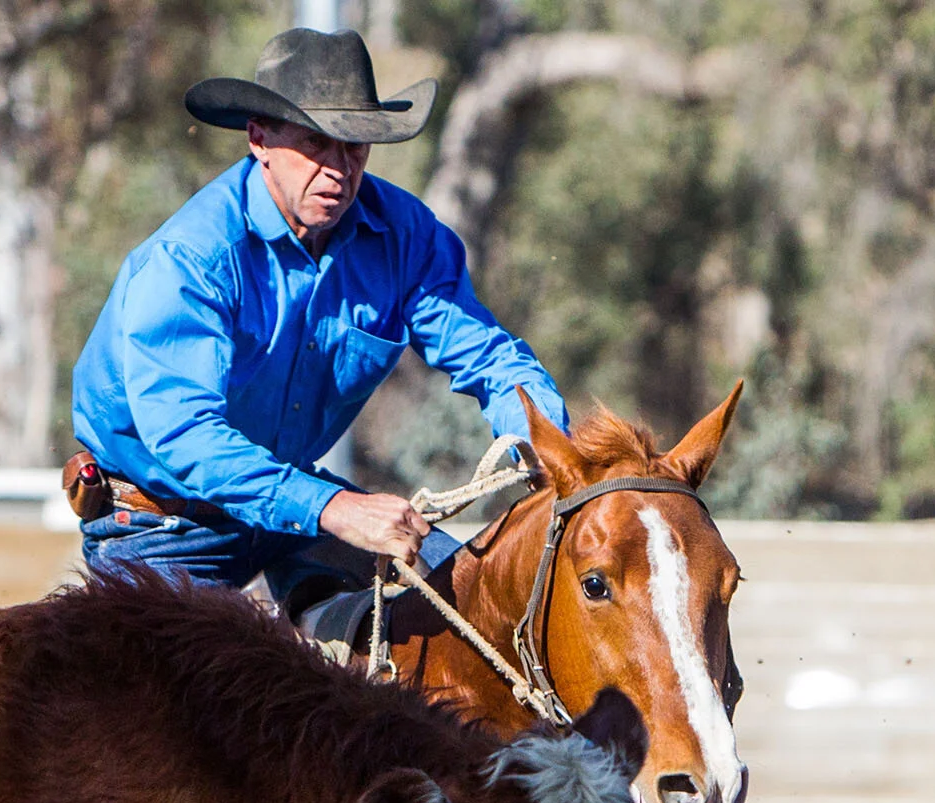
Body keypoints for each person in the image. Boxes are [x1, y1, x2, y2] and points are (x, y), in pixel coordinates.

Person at [68, 27, 569, 614]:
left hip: (294, 509)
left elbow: (488, 357)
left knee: (465, 617)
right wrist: (336, 509)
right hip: (162, 526)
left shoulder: (405, 235)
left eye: (355, 146)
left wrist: (551, 445)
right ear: (259, 139)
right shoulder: (191, 260)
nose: (338, 169)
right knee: (203, 692)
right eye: (315, 143)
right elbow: (187, 437)